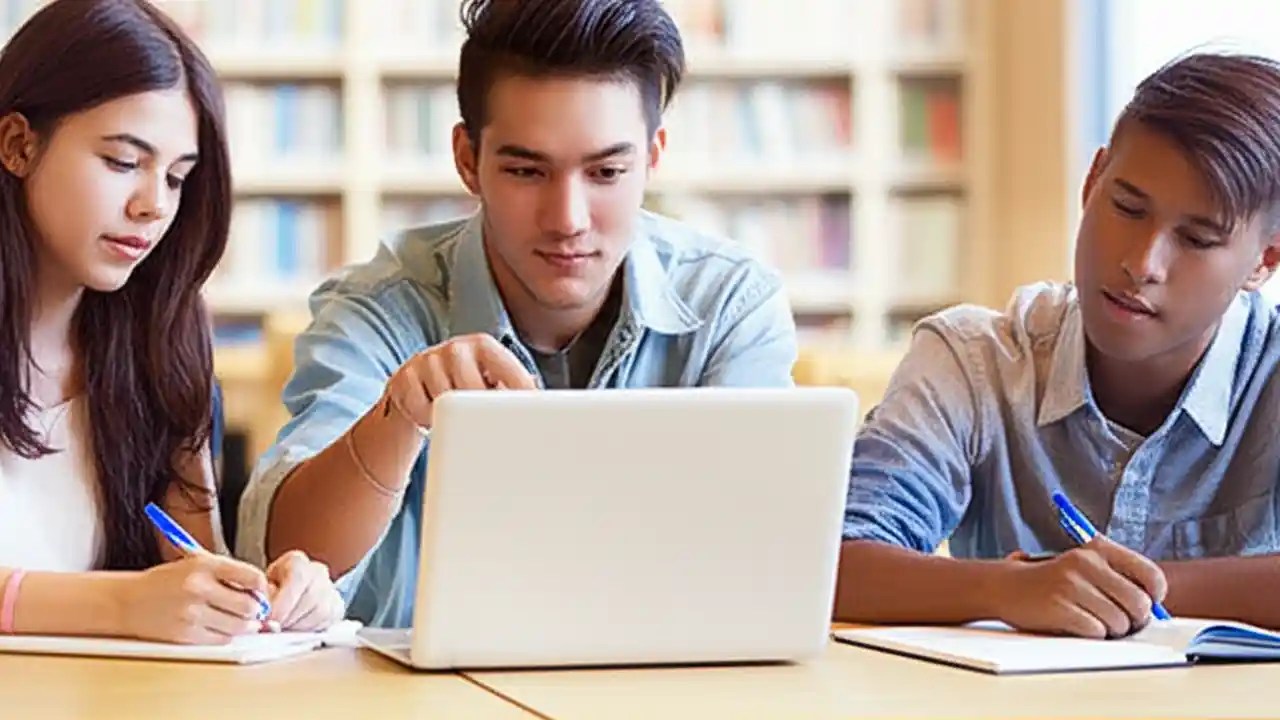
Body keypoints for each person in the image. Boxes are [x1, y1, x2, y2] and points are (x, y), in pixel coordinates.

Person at [237, 0, 799, 627]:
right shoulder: (377, 308)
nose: (568, 219)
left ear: (654, 156)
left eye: (607, 171)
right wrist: (397, 418)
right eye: (527, 170)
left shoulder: (728, 305)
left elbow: (761, 560)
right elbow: (288, 559)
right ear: (468, 160)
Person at [836, 51, 1280, 637]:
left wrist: (1115, 591)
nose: (1142, 263)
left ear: (1264, 261)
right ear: (1092, 182)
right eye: (1126, 207)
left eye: (1197, 239)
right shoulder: (974, 360)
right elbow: (837, 566)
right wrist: (1008, 588)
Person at [0, 0, 343, 644]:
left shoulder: (159, 348)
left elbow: (190, 568)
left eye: (178, 178)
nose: (153, 206)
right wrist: (122, 605)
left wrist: (263, 597)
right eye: (124, 162)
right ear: (17, 144)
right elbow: (139, 601)